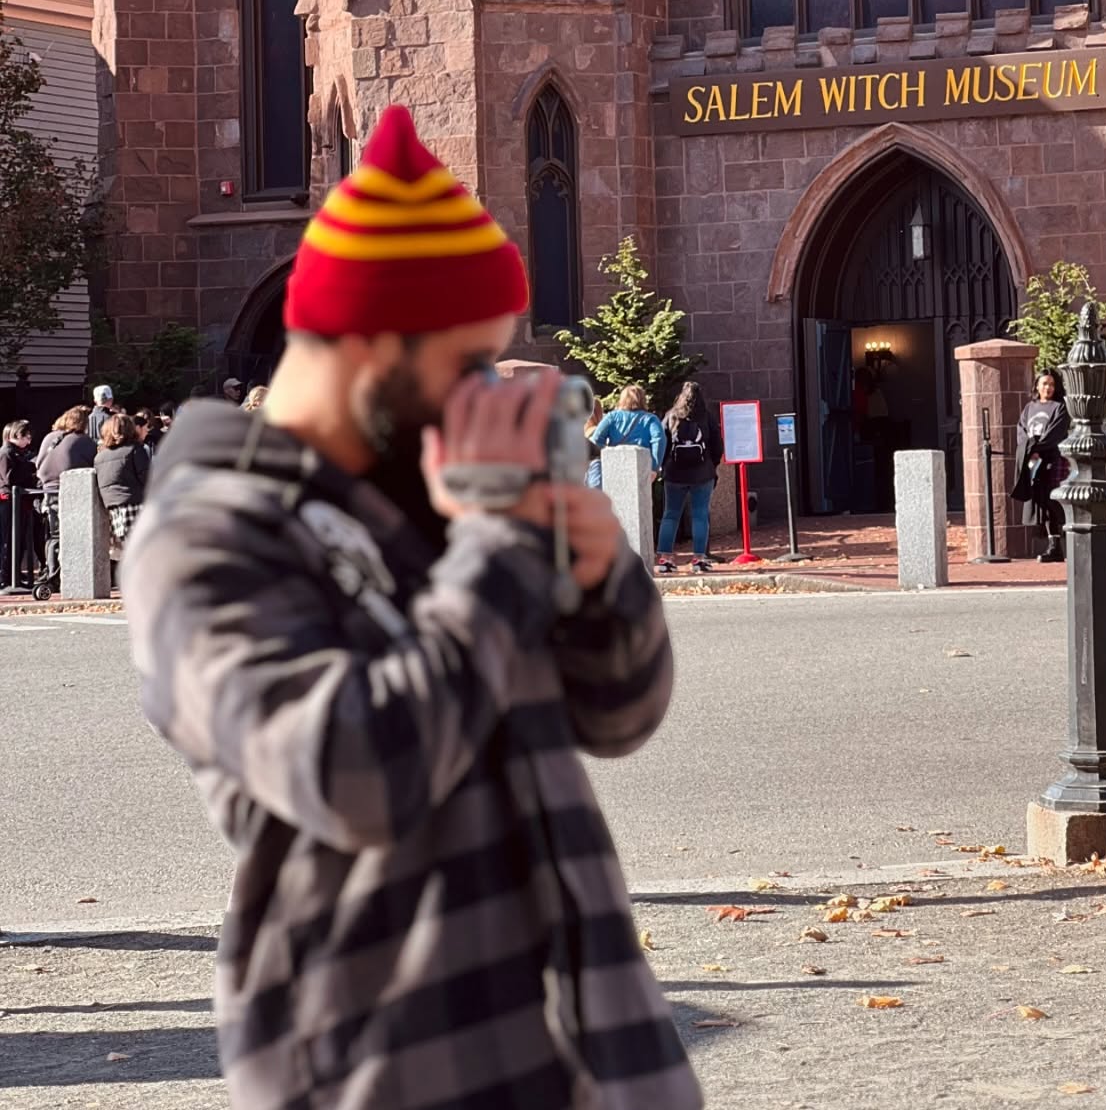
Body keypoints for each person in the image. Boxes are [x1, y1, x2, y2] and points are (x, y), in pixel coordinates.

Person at [121, 105, 698, 1110]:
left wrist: (602, 578)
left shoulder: (437, 493)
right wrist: (505, 543)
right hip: (389, 1063)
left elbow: (618, 713)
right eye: (464, 362)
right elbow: (356, 771)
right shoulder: (204, 534)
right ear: (370, 343)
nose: (484, 389)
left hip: (594, 1053)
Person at [657, 380, 724, 574]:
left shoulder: (671, 416)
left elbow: (662, 443)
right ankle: (699, 559)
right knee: (700, 515)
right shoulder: (706, 417)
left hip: (674, 474)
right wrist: (712, 465)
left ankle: (665, 559)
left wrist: (663, 466)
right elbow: (717, 445)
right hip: (702, 474)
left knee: (670, 515)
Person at [1014, 370, 1071, 562]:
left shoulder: (1059, 407)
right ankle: (1052, 545)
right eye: (1044, 384)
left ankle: (1058, 546)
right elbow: (1021, 430)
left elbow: (1055, 433)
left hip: (1052, 459)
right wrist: (1029, 449)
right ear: (1037, 386)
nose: (1048, 388)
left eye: (1052, 384)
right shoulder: (1029, 408)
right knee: (1041, 503)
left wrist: (1037, 447)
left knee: (1052, 501)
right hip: (1033, 461)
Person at [95, 412, 151, 553]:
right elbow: (148, 478)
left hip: (112, 510)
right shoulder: (135, 449)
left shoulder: (100, 457)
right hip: (135, 505)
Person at [590, 384, 668, 478]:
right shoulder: (650, 419)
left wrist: (605, 457)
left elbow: (596, 439)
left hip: (614, 464)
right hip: (641, 465)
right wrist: (654, 467)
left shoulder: (612, 417)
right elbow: (659, 439)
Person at [37, 407, 97, 513]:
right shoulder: (82, 440)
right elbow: (96, 463)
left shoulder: (49, 437)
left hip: (48, 490)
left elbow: (38, 463)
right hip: (73, 492)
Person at [0, 419, 36, 584]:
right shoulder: (6, 453)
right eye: (25, 437)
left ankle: (13, 571)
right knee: (9, 538)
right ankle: (6, 574)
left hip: (18, 500)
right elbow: (10, 478)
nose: (28, 441)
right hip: (9, 500)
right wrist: (29, 468)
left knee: (18, 538)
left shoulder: (18, 453)